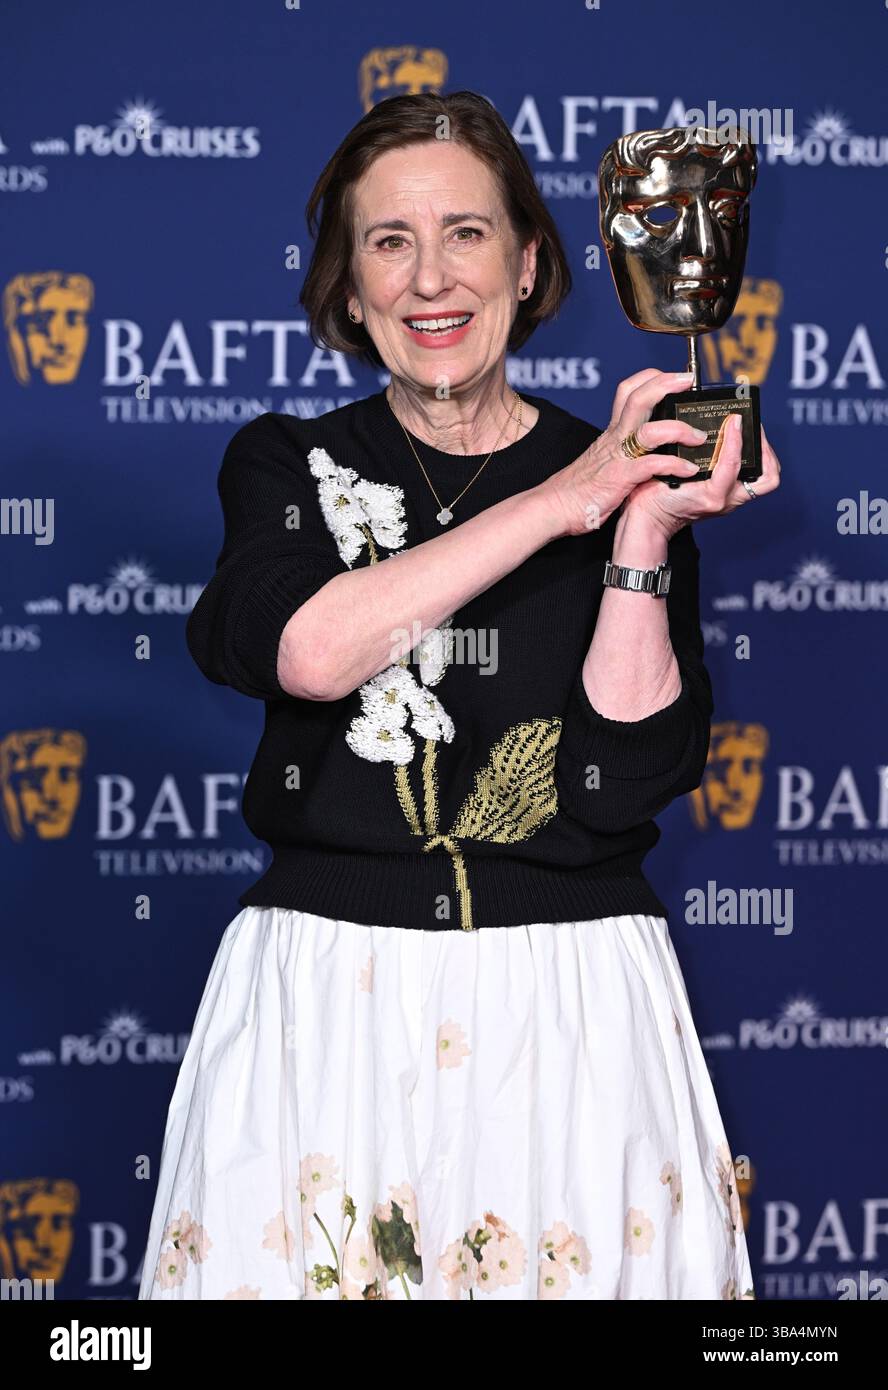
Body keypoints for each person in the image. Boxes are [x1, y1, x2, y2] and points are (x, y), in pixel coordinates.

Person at [137, 90, 779, 1302]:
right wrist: (567, 502)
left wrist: (639, 527)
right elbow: (315, 652)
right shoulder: (288, 460)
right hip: (329, 1004)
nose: (431, 278)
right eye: (390, 241)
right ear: (350, 281)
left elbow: (621, 776)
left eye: (467, 234)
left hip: (575, 1008)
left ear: (531, 262)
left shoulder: (617, 478)